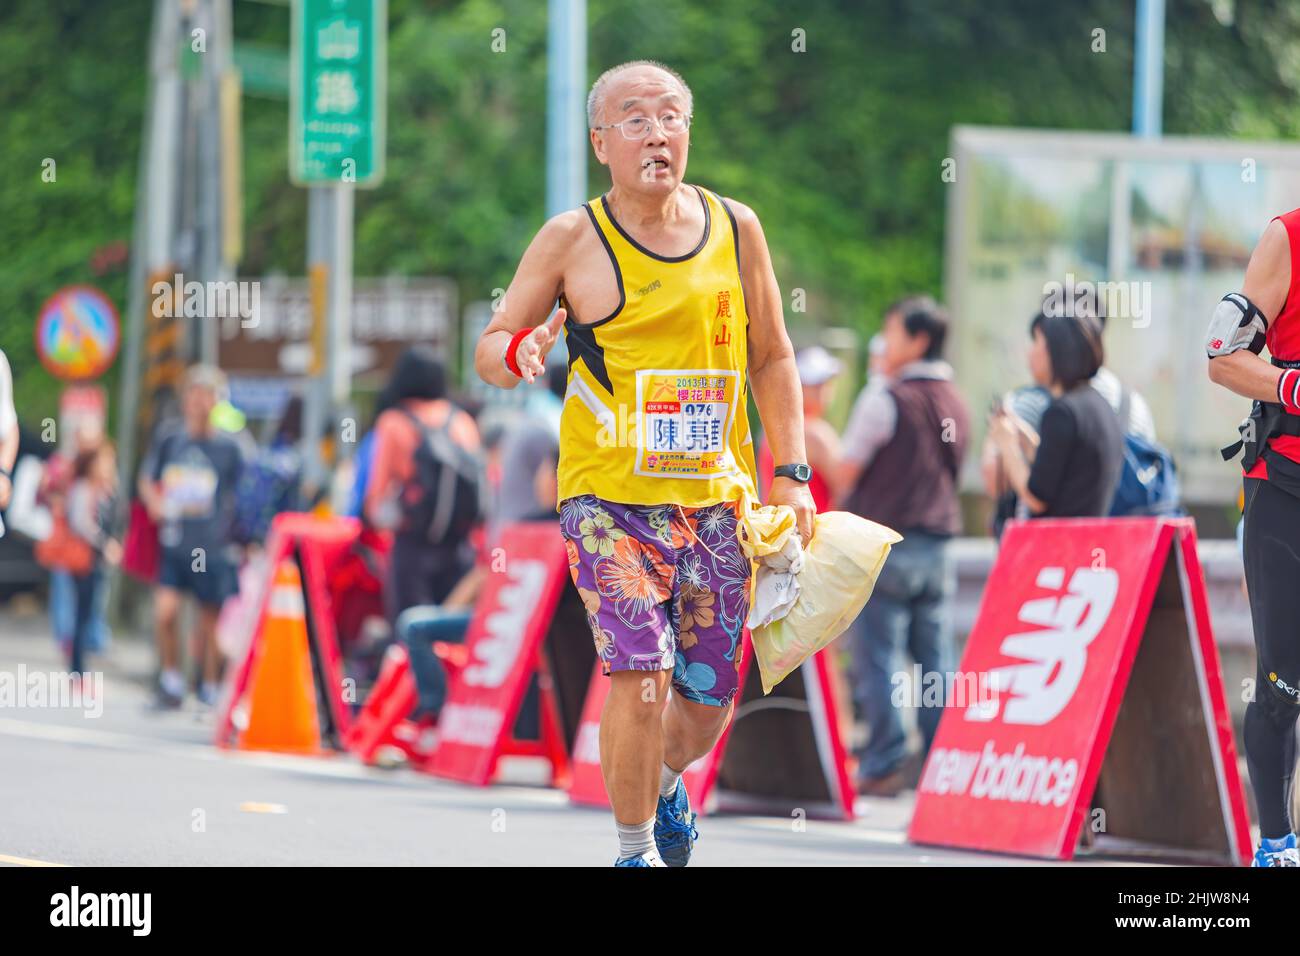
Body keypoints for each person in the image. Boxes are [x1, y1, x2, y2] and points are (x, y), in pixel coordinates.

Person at [475, 60, 815, 867]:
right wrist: (518, 351)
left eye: (670, 117)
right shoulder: (570, 238)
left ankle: (664, 779)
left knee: (705, 700)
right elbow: (489, 347)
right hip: (607, 498)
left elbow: (772, 357)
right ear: (601, 142)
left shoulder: (739, 229)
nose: (657, 133)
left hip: (715, 500)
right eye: (634, 118)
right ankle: (632, 852)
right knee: (638, 673)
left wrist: (791, 471)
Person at [835, 296, 970, 796]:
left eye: (891, 332)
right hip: (939, 548)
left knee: (879, 656)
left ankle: (885, 761)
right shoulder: (957, 399)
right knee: (935, 661)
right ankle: (940, 764)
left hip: (886, 545)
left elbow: (848, 471)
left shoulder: (884, 397)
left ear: (917, 340)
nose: (885, 342)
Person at [1206, 209, 1300, 865]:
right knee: (1284, 683)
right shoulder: (1286, 237)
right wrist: (1290, 384)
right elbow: (1222, 356)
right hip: (1285, 490)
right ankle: (1275, 842)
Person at [137, 365, 246, 709]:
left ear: (217, 401)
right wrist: (155, 500)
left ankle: (211, 687)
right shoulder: (171, 438)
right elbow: (146, 477)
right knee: (165, 612)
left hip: (212, 545)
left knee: (208, 621)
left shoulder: (232, 446)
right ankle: (171, 680)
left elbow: (248, 491)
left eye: (206, 395)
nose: (198, 402)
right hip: (175, 540)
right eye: (193, 394)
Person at [364, 346, 482, 622]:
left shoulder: (394, 423)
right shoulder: (462, 422)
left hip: (412, 549)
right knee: (453, 637)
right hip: (460, 550)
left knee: (411, 633)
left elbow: (376, 501)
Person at [987, 309, 1123, 519]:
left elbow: (1036, 497)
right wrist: (1024, 438)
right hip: (1086, 542)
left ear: (1057, 352)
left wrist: (1007, 444)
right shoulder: (1098, 405)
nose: (1029, 353)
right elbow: (1063, 467)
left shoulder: (1062, 412)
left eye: (1036, 342)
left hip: (1057, 547)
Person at [757, 345, 842, 511]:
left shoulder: (770, 430)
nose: (825, 391)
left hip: (779, 528)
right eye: (817, 385)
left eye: (826, 383)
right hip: (815, 531)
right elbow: (847, 487)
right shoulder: (816, 433)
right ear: (797, 386)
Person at [66, 442, 122, 682]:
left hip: (98, 563)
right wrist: (104, 543)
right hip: (83, 560)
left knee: (91, 613)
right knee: (82, 614)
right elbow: (81, 524)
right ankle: (78, 669)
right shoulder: (82, 489)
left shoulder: (107, 490)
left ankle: (83, 666)